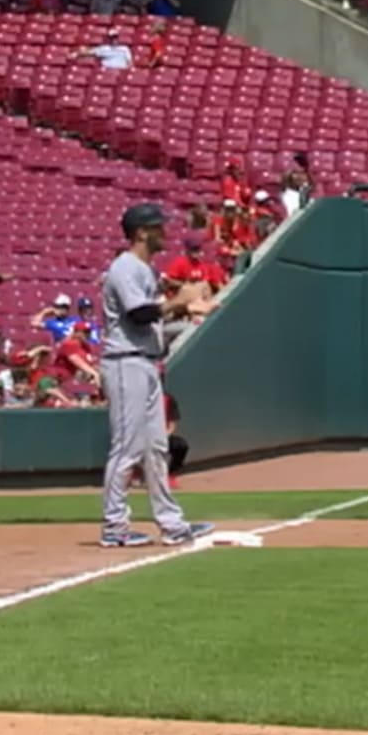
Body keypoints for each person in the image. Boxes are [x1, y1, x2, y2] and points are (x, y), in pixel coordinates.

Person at [98, 203, 215, 549]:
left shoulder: (145, 269)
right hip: (124, 361)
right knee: (127, 448)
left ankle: (172, 523)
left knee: (155, 448)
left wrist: (190, 310)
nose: (165, 232)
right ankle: (114, 526)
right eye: (158, 227)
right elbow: (139, 314)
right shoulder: (125, 267)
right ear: (141, 232)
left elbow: (153, 320)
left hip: (145, 361)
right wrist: (181, 301)